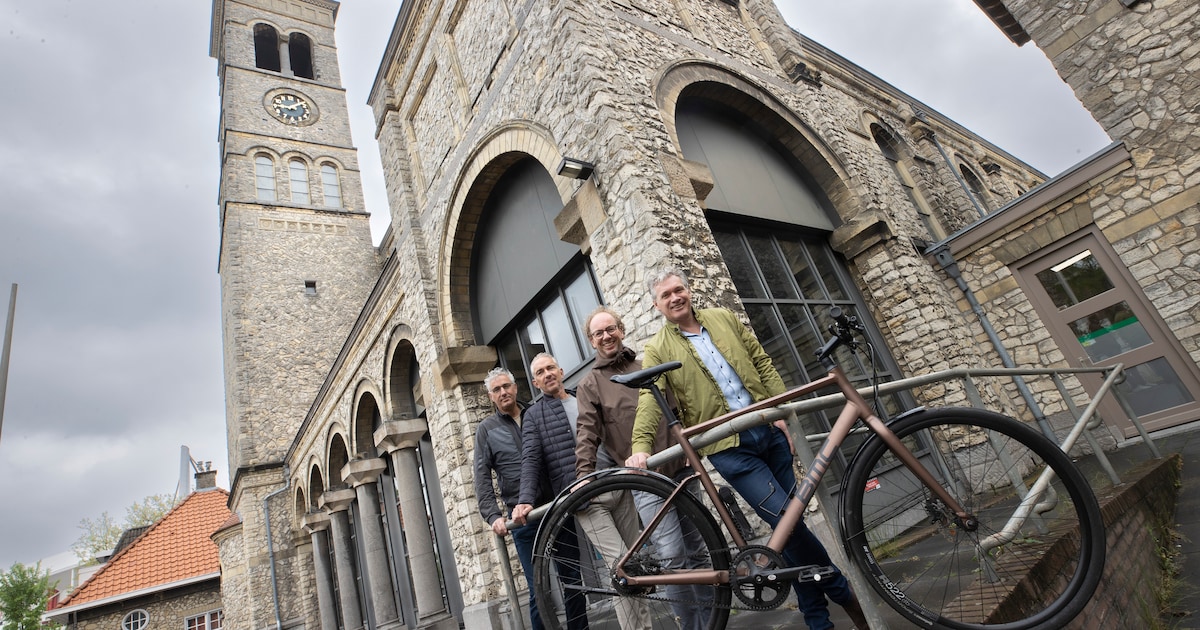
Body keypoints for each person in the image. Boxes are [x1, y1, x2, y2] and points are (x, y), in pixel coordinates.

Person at [626, 267, 869, 630]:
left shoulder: (722, 318)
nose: (675, 297)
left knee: (789, 527)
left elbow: (761, 360)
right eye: (666, 295)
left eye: (679, 290)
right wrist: (640, 446)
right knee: (783, 520)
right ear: (656, 304)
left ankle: (818, 621)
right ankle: (842, 591)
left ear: (688, 291)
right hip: (728, 447)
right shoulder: (659, 346)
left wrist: (782, 412)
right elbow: (650, 397)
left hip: (768, 431)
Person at [574, 306, 712, 630]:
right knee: (672, 556)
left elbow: (678, 408)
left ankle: (712, 621)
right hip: (646, 481)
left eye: (611, 329)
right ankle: (690, 626)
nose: (606, 336)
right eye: (599, 333)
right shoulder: (590, 384)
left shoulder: (646, 365)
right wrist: (583, 475)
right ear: (591, 341)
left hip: (681, 471)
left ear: (621, 330)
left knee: (700, 553)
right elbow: (587, 433)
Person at [513, 353, 648, 629]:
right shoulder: (534, 416)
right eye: (540, 372)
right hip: (586, 499)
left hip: (618, 484)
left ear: (561, 371)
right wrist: (524, 500)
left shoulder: (582, 396)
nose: (547, 374)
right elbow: (530, 461)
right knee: (620, 564)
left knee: (632, 562)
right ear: (535, 382)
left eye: (551, 367)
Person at [473, 367, 548, 630]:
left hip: (553, 507)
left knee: (572, 577)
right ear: (491, 397)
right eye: (497, 389)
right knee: (538, 587)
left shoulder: (534, 414)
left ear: (515, 388)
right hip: (522, 519)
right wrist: (493, 516)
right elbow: (481, 477)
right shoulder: (487, 429)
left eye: (506, 386)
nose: (503, 392)